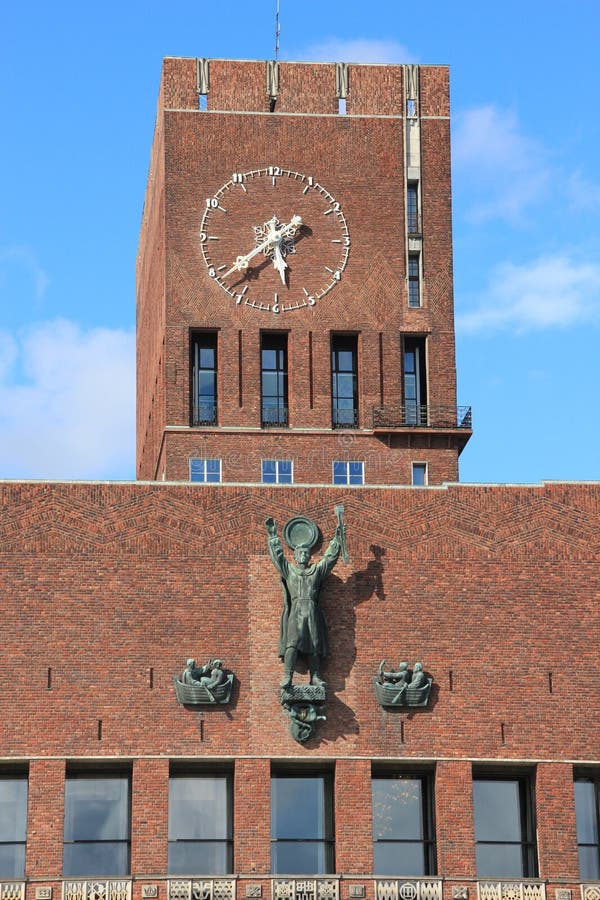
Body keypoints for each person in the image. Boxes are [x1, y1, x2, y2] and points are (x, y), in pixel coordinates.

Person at [266, 516, 342, 689]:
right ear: (295, 555)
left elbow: (329, 559)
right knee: (292, 642)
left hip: (312, 610)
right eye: (300, 553)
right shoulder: (290, 571)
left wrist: (336, 540)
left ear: (309, 556)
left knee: (314, 642)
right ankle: (287, 676)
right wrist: (272, 537)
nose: (303, 555)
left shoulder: (316, 571)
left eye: (306, 553)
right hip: (296, 609)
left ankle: (315, 676)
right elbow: (278, 558)